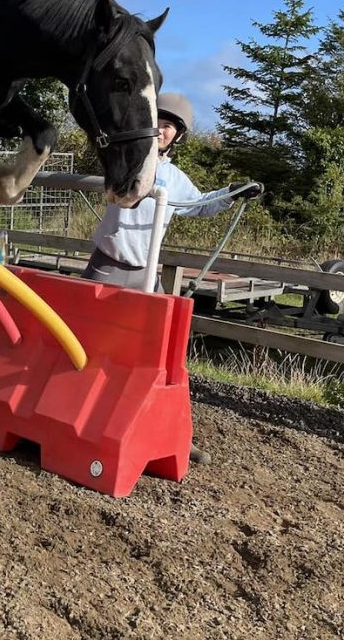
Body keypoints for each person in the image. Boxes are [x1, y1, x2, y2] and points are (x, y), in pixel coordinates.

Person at [80, 91, 263, 465]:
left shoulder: (176, 179)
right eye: (157, 122)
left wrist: (233, 192)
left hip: (146, 274)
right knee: (86, 343)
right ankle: (79, 417)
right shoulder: (125, 155)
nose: (161, 131)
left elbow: (201, 204)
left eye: (168, 126)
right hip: (109, 265)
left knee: (162, 356)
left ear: (177, 136)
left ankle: (171, 433)